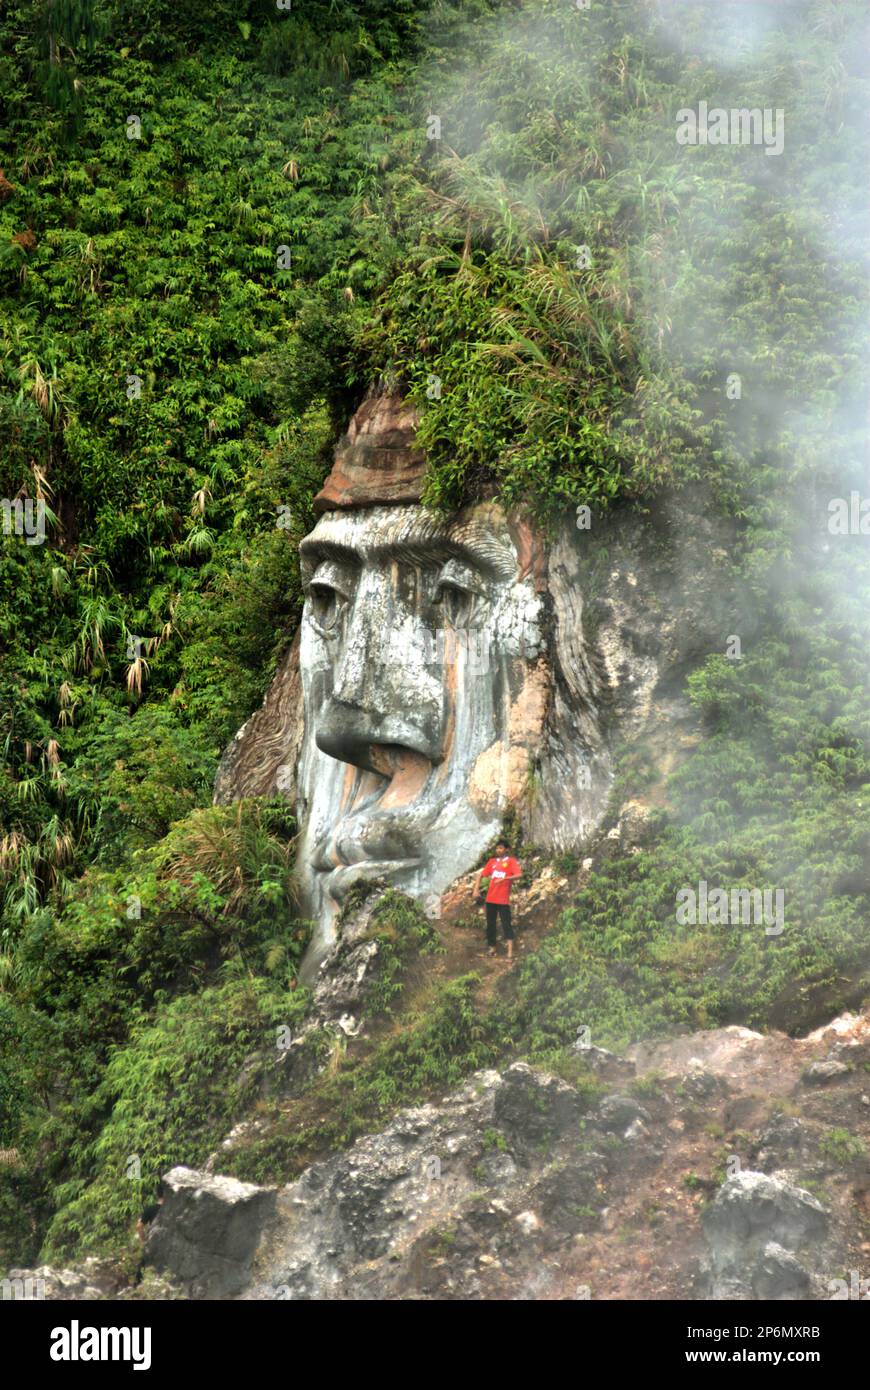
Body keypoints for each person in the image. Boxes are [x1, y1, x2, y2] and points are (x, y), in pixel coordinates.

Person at [473, 840, 522, 960]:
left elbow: (519, 875)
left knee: (506, 924)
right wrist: (476, 889)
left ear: (506, 849)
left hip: (503, 900)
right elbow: (481, 875)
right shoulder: (492, 862)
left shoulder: (511, 862)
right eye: (497, 848)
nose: (498, 850)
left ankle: (510, 953)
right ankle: (492, 949)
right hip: (490, 899)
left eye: (501, 848)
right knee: (491, 924)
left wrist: (505, 878)